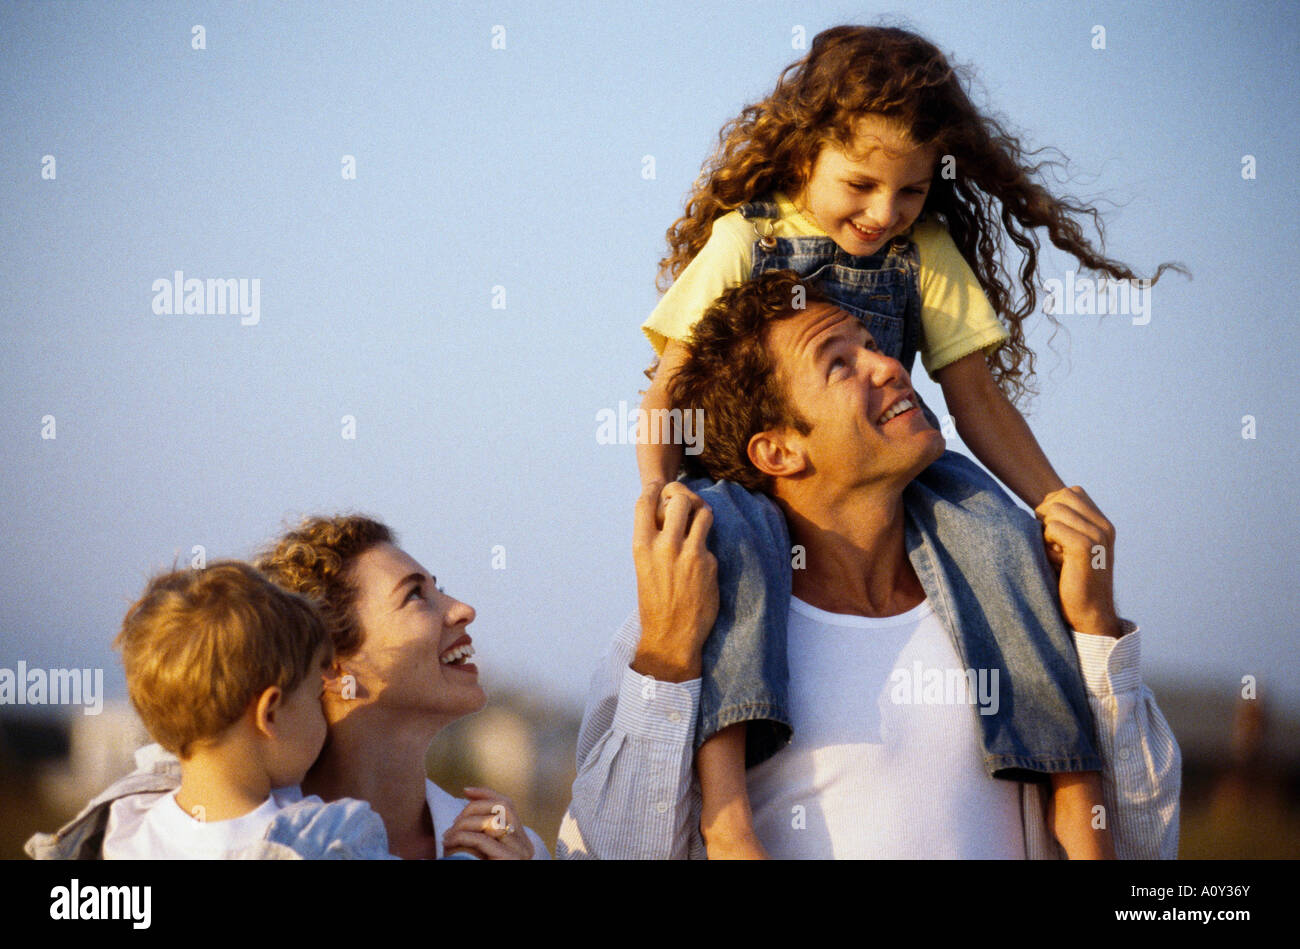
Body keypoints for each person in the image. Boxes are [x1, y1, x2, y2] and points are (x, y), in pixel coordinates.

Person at [635, 24, 1180, 859]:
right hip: (747, 479)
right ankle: (727, 807)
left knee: (1002, 543)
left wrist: (1051, 500)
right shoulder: (747, 239)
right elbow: (670, 382)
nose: (884, 214)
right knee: (731, 563)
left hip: (902, 469)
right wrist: (660, 494)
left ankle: (1074, 792)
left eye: (911, 192)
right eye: (860, 183)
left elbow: (976, 401)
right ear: (803, 152)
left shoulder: (921, 254)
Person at [559, 272, 1181, 859]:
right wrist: (667, 657)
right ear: (778, 450)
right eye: (839, 365)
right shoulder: (689, 624)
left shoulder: (1011, 592)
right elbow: (607, 850)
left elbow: (1144, 851)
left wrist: (1096, 633)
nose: (890, 366)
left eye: (873, 345)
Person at [27, 517, 547, 860]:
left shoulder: (506, 842)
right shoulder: (320, 839)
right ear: (329, 665)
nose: (462, 608)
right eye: (416, 596)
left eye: (440, 586)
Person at [31, 561, 394, 859]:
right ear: (269, 713)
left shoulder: (125, 825)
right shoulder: (327, 838)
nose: (326, 716)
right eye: (317, 697)